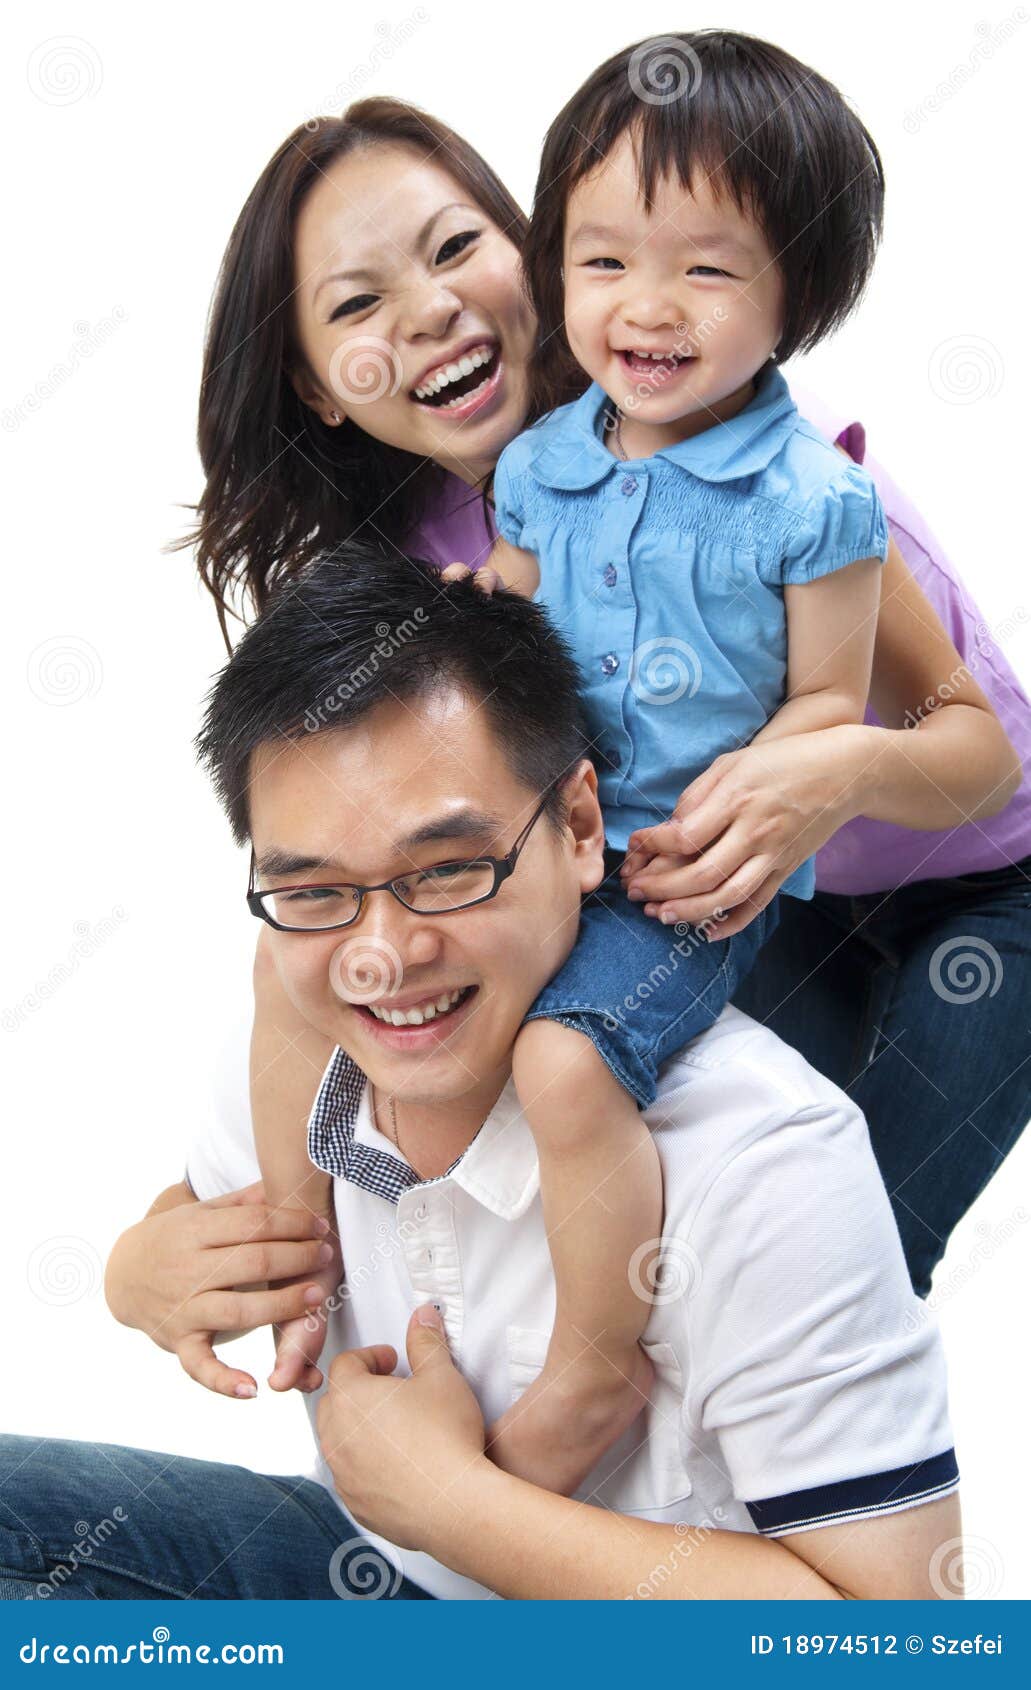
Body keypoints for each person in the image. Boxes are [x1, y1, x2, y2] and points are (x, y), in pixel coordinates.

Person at [175, 76, 1026, 1406]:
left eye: (455, 248)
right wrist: (236, 1248)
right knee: (668, 1201)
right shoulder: (432, 561)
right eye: (355, 304)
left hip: (986, 884)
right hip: (746, 906)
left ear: (535, 250)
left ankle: (731, 1551)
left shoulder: (777, 482)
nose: (429, 310)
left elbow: (983, 749)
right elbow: (351, 908)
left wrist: (834, 763)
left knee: (843, 1254)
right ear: (316, 387)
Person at [10, 550, 957, 1603]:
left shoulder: (763, 1160)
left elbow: (902, 1642)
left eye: (446, 870)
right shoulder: (305, 1062)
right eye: (315, 889)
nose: (383, 954)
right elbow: (201, 1211)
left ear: (581, 826)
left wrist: (457, 1510)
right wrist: (137, 1277)